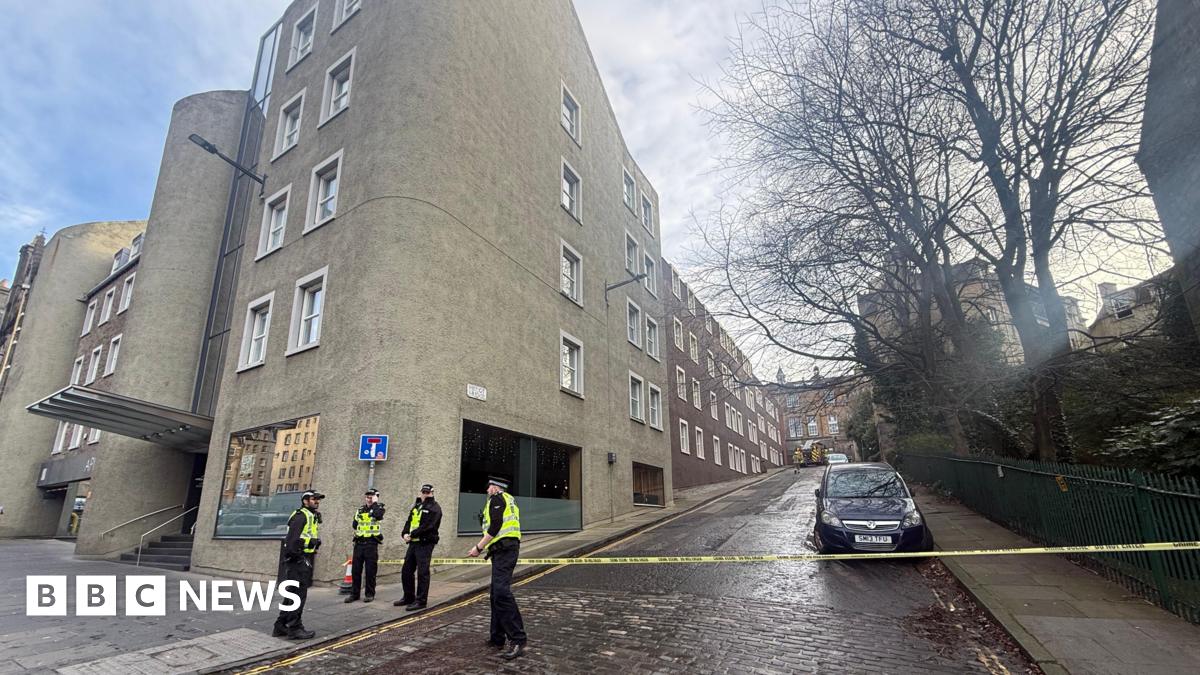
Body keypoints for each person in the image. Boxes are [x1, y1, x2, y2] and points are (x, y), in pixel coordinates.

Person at [467, 477, 526, 660]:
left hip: (505, 549)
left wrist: (478, 547)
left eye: (489, 487)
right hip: (502, 550)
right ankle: (497, 637)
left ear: (495, 488)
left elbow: (495, 526)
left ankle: (517, 639)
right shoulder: (508, 500)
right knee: (495, 594)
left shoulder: (498, 498)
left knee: (501, 593)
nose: (487, 491)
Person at [274, 490, 324, 640]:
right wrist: (308, 548)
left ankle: (280, 625)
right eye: (314, 499)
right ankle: (295, 628)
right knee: (298, 595)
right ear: (305, 501)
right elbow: (292, 541)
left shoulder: (311, 516)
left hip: (302, 558)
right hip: (298, 560)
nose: (317, 501)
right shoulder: (301, 516)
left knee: (291, 594)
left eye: (318, 499)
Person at [394, 483, 442, 611]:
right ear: (421, 492)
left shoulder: (435, 507)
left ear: (432, 493)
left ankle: (421, 601)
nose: (425, 494)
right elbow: (409, 521)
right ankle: (408, 597)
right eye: (423, 492)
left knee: (422, 572)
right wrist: (404, 533)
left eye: (428, 492)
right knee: (406, 570)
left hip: (425, 543)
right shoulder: (417, 506)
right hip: (413, 542)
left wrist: (412, 534)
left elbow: (429, 526)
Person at [345, 488, 386, 603]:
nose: (369, 498)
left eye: (371, 496)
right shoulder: (360, 510)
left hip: (371, 544)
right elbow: (355, 524)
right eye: (367, 496)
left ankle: (369, 594)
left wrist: (375, 503)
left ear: (376, 497)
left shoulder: (379, 508)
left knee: (370, 571)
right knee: (356, 571)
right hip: (359, 543)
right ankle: (354, 594)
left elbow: (378, 515)